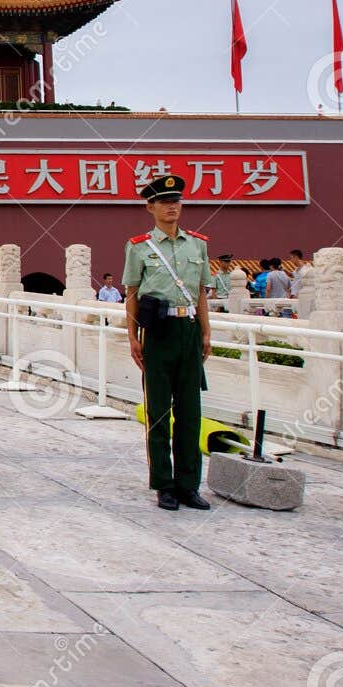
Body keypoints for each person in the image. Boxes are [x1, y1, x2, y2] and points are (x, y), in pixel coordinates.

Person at [124, 173, 216, 512]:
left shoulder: (197, 244)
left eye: (176, 201)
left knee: (191, 412)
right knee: (159, 412)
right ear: (150, 208)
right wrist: (132, 336)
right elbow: (132, 295)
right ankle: (163, 483)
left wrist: (206, 332)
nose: (172, 207)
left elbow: (201, 295)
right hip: (157, 334)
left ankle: (188, 485)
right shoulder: (138, 247)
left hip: (188, 329)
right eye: (164, 202)